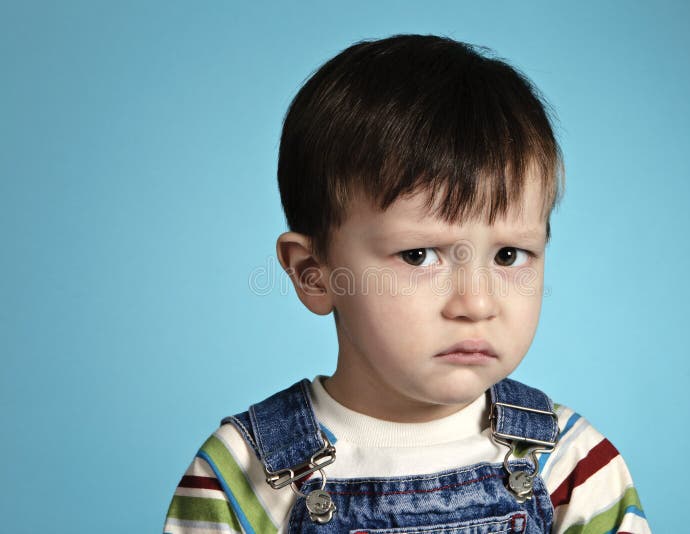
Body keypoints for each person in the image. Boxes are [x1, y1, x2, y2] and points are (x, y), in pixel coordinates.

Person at [164, 34, 650, 534]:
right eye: (419, 255)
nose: (476, 303)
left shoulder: (571, 464)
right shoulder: (242, 477)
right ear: (314, 273)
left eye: (509, 255)